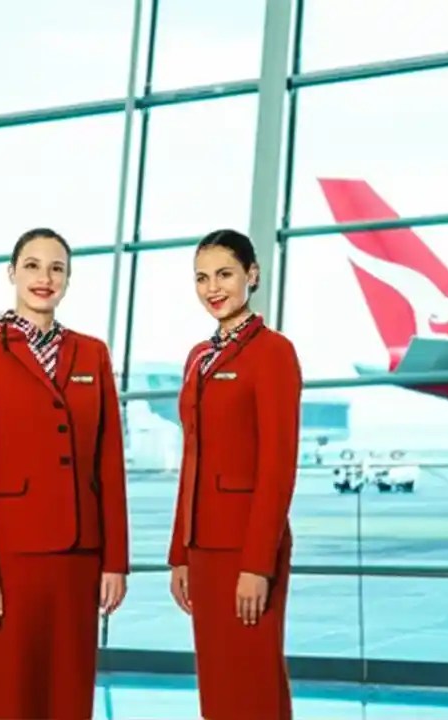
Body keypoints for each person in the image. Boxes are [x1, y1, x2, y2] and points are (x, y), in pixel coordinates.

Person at [0, 227, 129, 719]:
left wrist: (115, 559)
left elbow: (108, 463)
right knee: (9, 695)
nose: (44, 277)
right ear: (12, 273)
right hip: (11, 560)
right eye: (32, 265)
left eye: (57, 268)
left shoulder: (92, 353)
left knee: (70, 697)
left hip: (79, 558)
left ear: (68, 280)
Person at [167, 229, 302, 720]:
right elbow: (192, 458)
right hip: (203, 546)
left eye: (224, 274)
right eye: (201, 278)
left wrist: (257, 564)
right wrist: (179, 552)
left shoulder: (273, 353)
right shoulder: (198, 358)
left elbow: (278, 465)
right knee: (218, 682)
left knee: (255, 677)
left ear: (253, 274)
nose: (212, 288)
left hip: (248, 545)